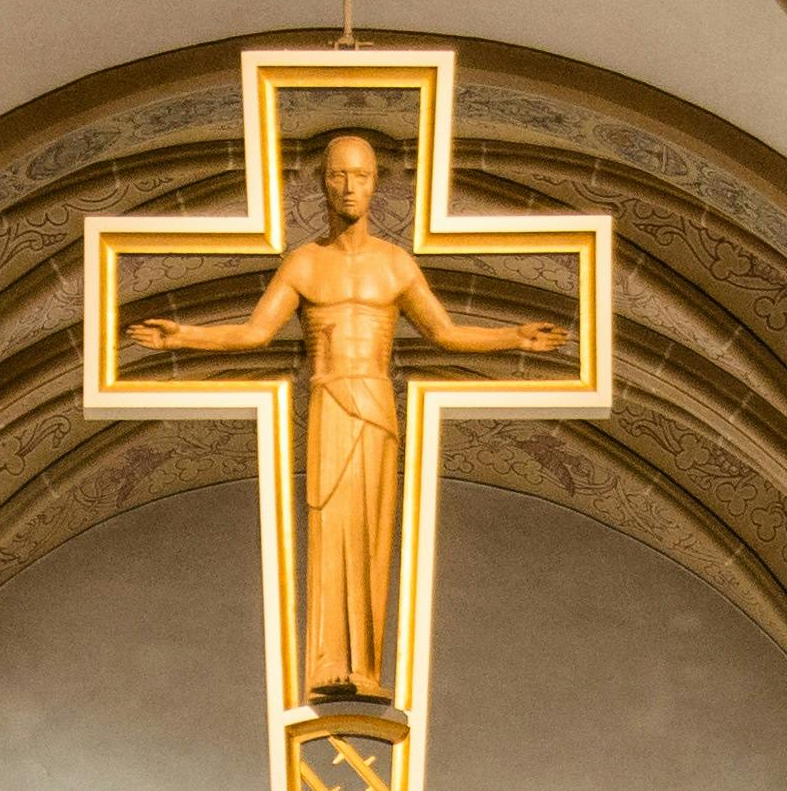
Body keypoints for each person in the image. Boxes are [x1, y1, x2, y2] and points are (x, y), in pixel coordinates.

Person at [120, 125, 577, 707]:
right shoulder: (305, 264)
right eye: (337, 175)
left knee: (372, 531)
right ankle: (329, 662)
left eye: (360, 175)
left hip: (377, 407)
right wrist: (182, 334)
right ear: (321, 185)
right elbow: (255, 332)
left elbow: (446, 333)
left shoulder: (396, 265)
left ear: (376, 184)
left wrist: (514, 335)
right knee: (330, 525)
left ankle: (366, 664)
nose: (348, 186)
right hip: (330, 401)